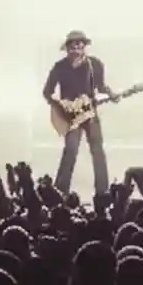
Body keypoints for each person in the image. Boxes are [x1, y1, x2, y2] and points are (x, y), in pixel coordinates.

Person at [42, 30, 114, 198]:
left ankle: (103, 192)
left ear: (84, 46)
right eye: (72, 45)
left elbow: (101, 87)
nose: (76, 47)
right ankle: (60, 191)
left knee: (97, 150)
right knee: (71, 150)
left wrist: (111, 94)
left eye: (79, 44)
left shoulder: (94, 65)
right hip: (70, 117)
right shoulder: (59, 68)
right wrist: (61, 106)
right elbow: (47, 92)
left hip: (89, 113)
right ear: (67, 48)